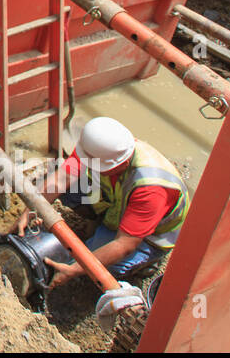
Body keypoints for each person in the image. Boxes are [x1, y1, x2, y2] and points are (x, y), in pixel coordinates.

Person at [15, 115, 191, 286]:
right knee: (67, 186)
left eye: (95, 166)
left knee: (101, 266)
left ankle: (146, 263)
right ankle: (98, 222)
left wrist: (76, 269)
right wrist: (30, 210)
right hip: (119, 202)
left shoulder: (152, 188)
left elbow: (124, 244)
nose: (88, 165)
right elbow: (62, 178)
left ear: (118, 164)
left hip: (150, 236)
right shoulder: (98, 147)